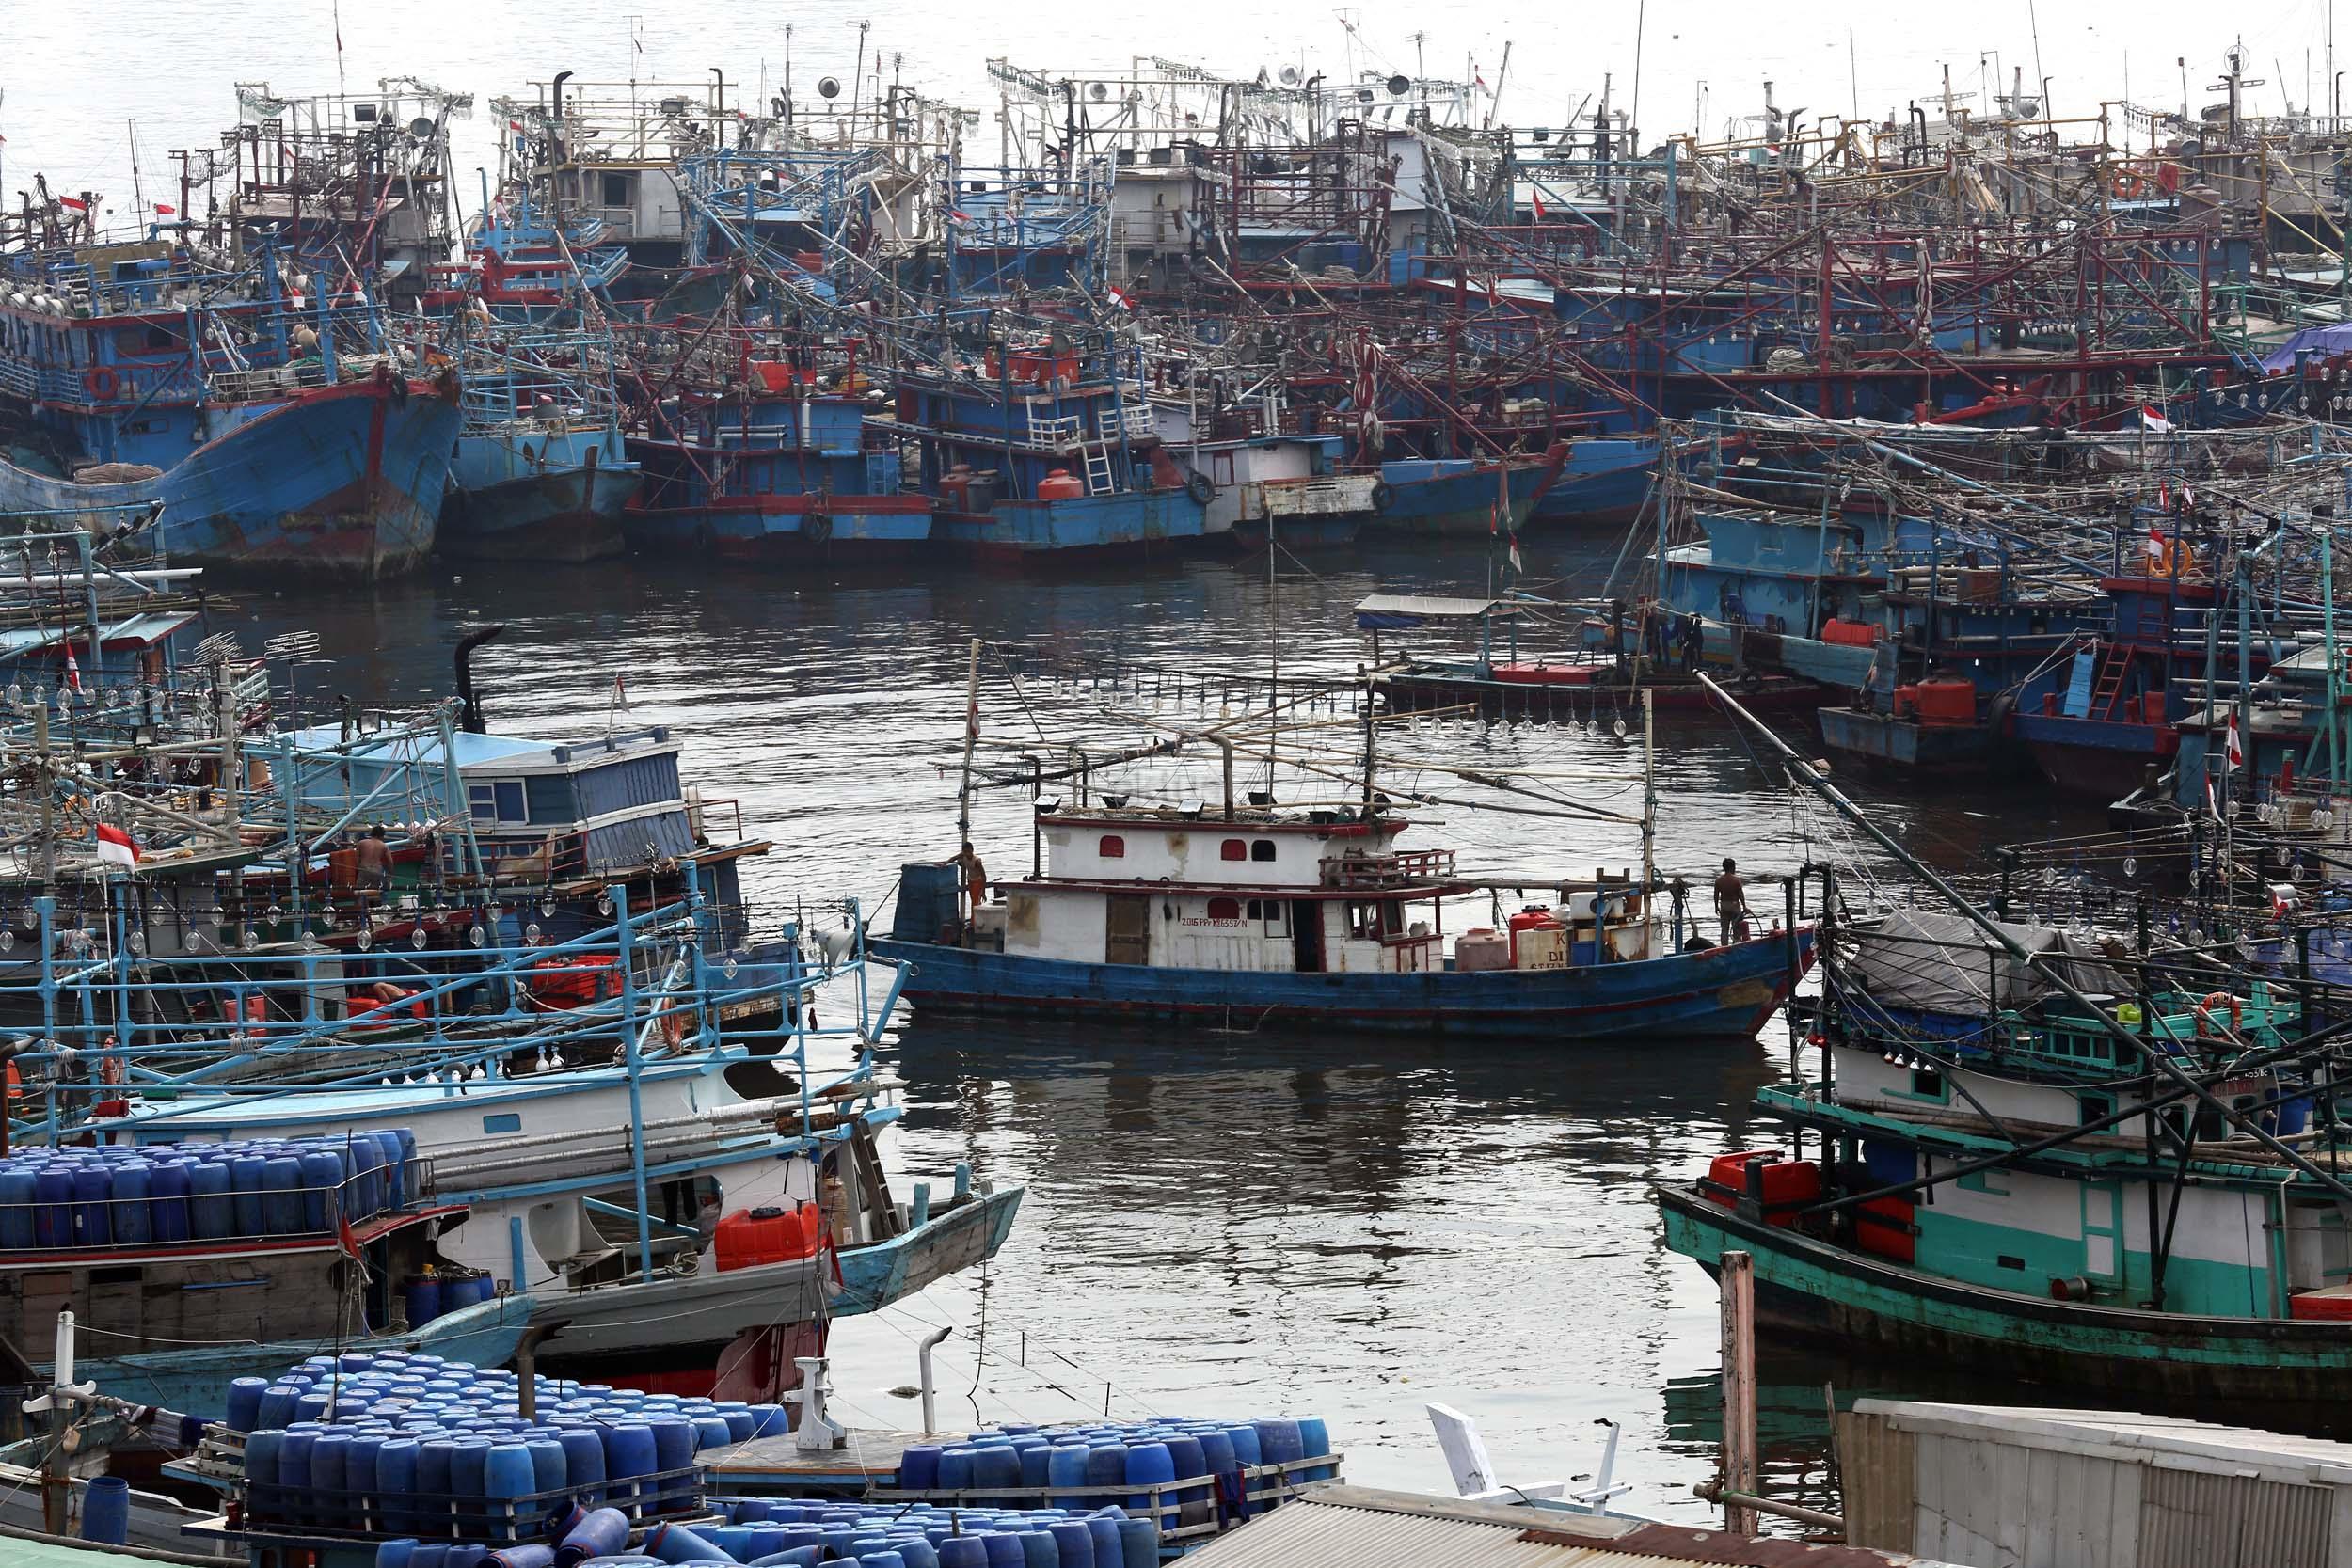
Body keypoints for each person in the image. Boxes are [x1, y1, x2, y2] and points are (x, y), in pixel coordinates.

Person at [1713, 857, 1750, 944]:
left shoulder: (1718, 881)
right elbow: (1741, 894)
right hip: (1734, 905)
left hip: (1724, 905)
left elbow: (1716, 895)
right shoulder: (1736, 880)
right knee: (1736, 929)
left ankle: (1724, 948)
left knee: (1724, 930)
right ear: (1732, 867)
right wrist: (1744, 906)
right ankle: (1736, 945)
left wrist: (1716, 907)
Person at [951, 840, 988, 923]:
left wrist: (983, 891)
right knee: (973, 901)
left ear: (972, 851)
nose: (967, 854)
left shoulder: (977, 861)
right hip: (970, 880)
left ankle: (974, 922)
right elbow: (953, 858)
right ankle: (975, 920)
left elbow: (984, 876)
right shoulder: (963, 855)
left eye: (969, 852)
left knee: (975, 902)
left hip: (978, 881)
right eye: (965, 852)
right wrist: (944, 864)